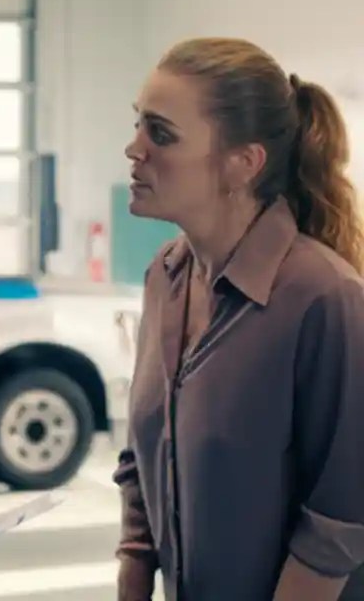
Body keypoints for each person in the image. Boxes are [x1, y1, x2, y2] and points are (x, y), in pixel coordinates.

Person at [116, 36, 364, 601]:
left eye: (160, 133)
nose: (134, 149)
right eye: (138, 125)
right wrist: (133, 575)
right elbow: (142, 454)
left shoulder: (325, 300)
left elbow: (338, 526)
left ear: (243, 164)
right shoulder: (166, 277)